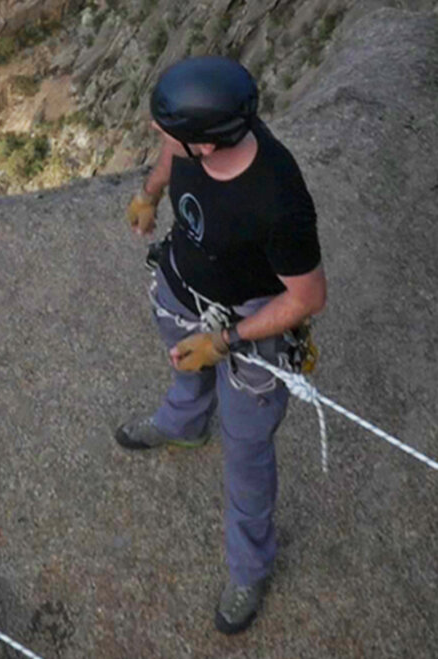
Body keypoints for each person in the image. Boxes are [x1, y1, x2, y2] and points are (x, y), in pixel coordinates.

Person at [117, 56, 327, 635]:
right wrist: (151, 194)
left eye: (170, 134)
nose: (160, 140)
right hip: (185, 283)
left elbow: (307, 297)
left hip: (247, 318)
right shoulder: (204, 138)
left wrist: (227, 340)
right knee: (181, 360)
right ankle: (185, 422)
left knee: (247, 449)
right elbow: (171, 151)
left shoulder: (278, 202)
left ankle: (250, 567)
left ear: (206, 146)